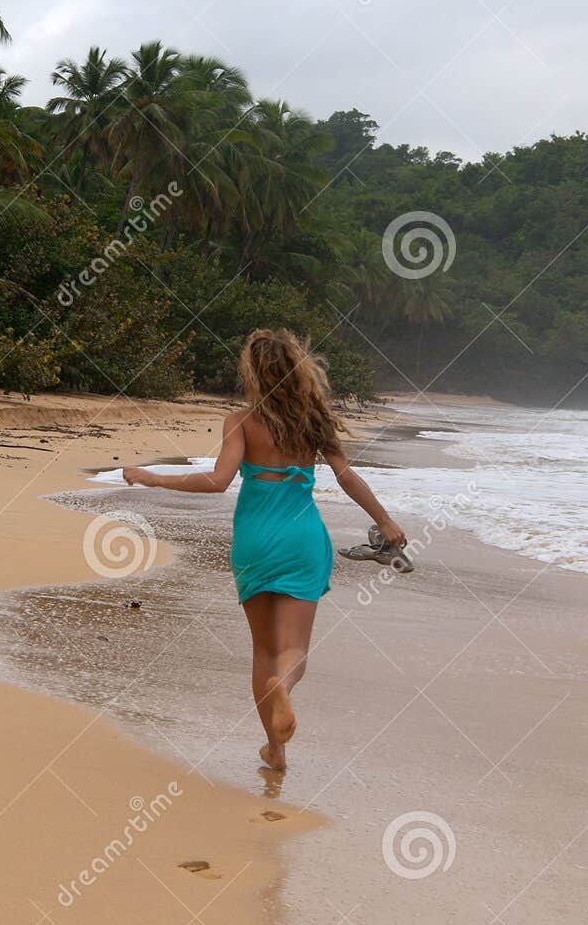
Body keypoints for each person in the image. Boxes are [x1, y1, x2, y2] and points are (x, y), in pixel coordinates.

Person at [123, 328, 406, 771]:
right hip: (302, 539)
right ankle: (283, 690)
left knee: (262, 651)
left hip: (255, 540)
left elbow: (217, 481)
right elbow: (347, 477)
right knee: (293, 650)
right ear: (298, 368)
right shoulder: (315, 419)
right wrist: (384, 521)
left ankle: (276, 750)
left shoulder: (240, 421)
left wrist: (156, 477)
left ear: (253, 373)